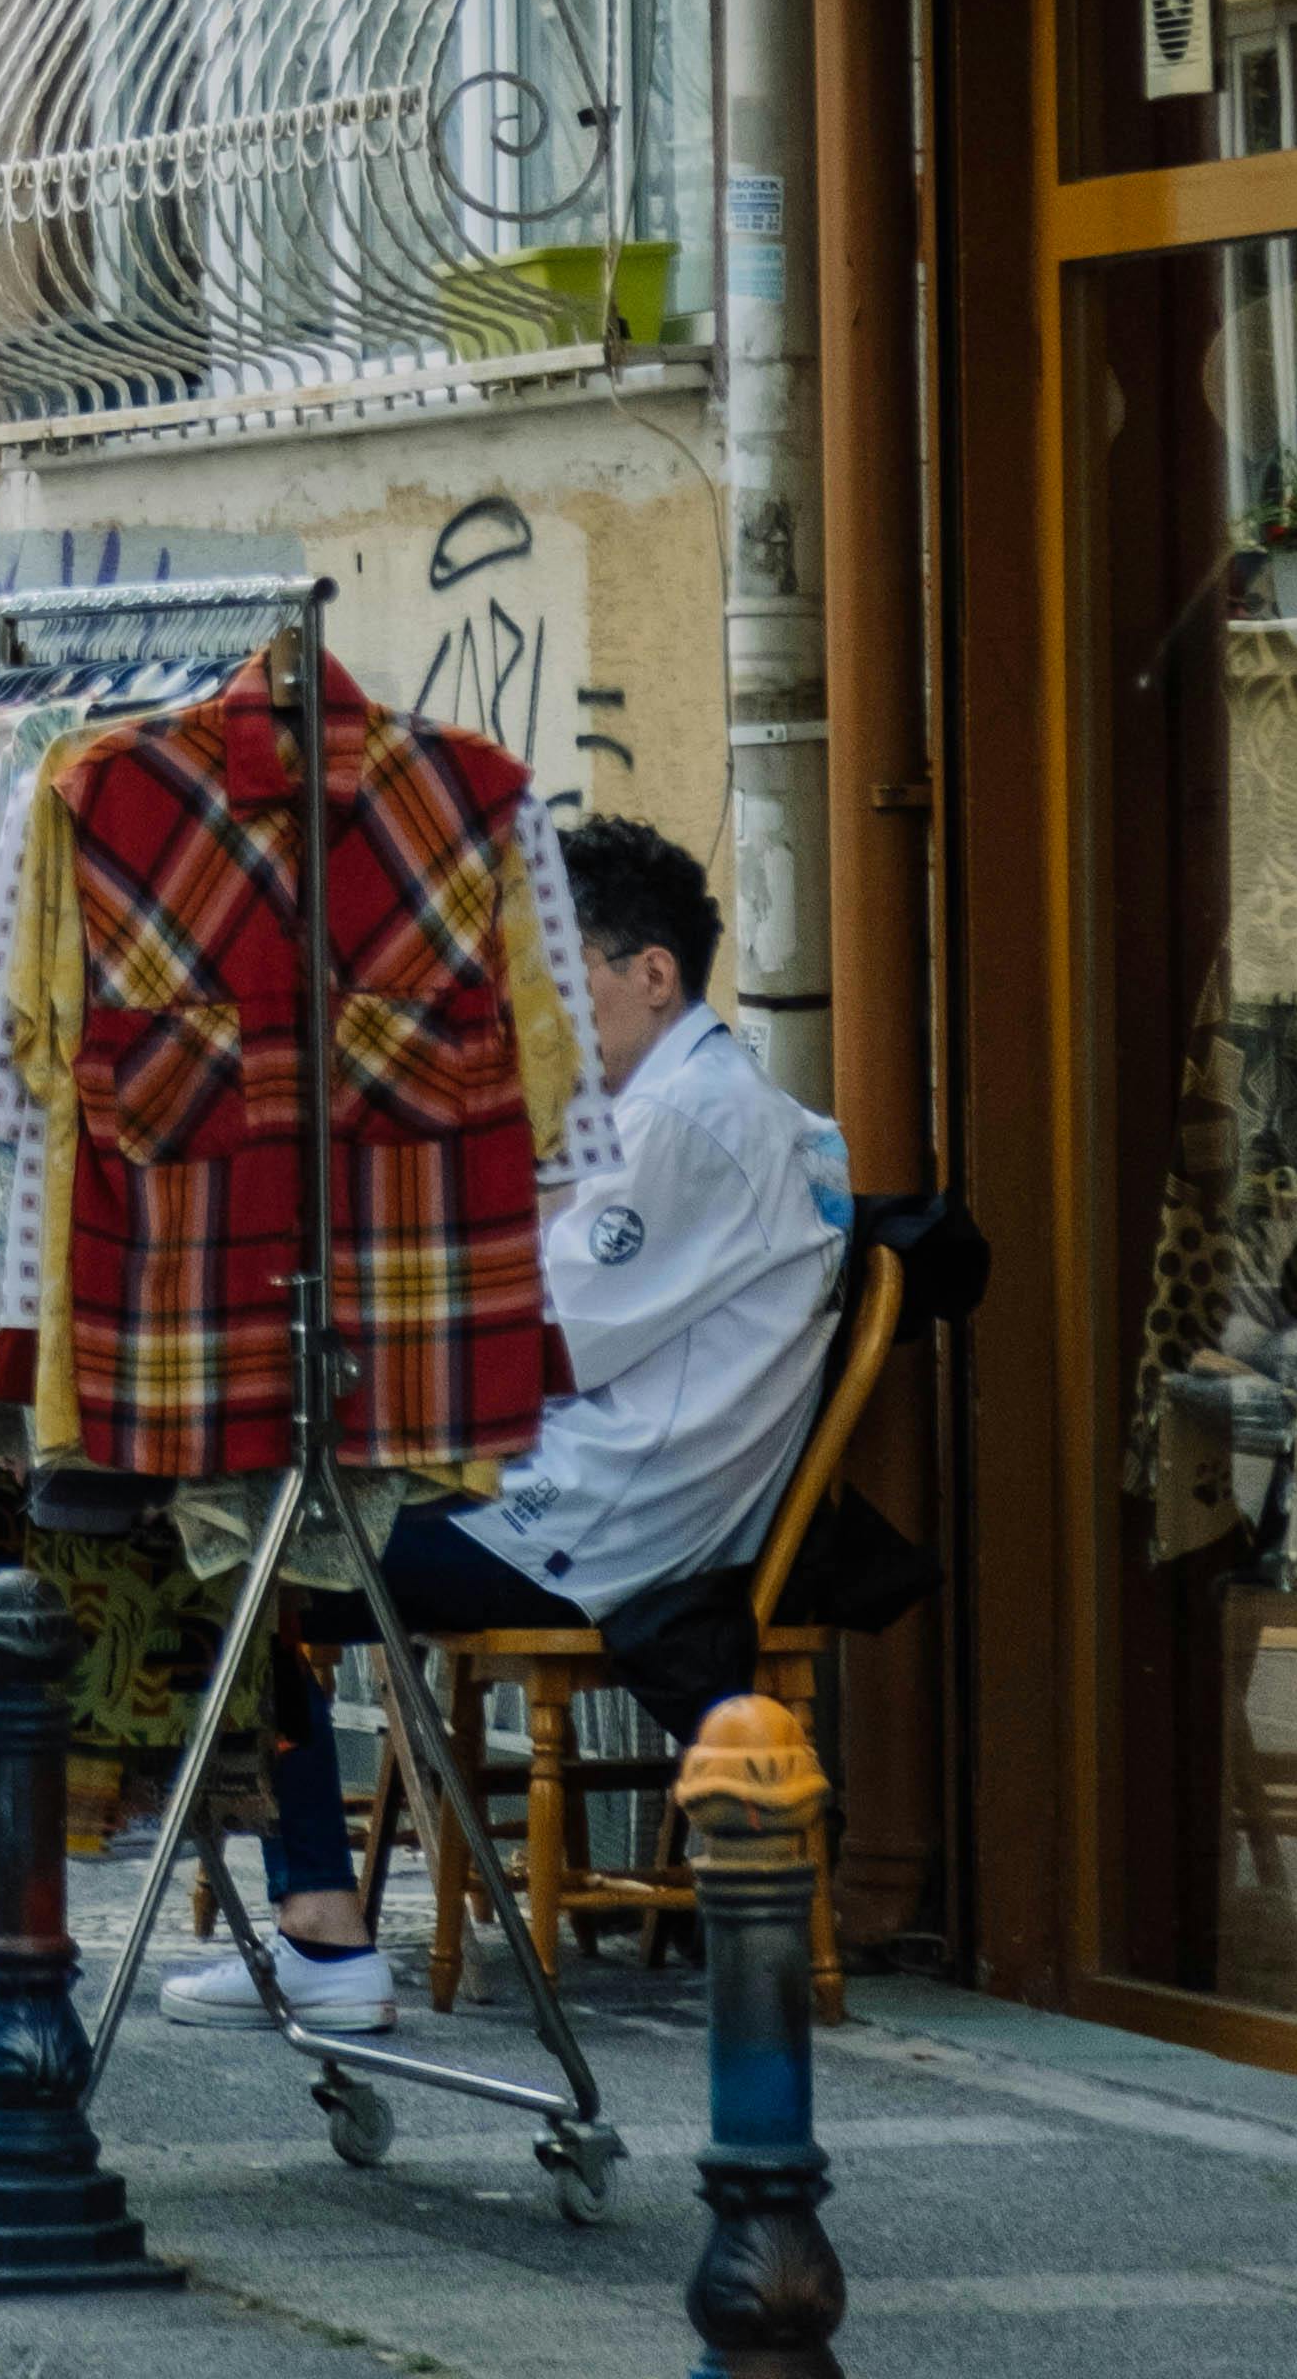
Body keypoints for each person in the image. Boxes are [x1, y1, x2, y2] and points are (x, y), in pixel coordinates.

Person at [164, 811, 850, 2031]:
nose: (534, 1007)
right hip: (571, 1493)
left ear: (650, 976)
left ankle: (319, 1933)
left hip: (583, 1522)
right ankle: (310, 1921)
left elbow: (532, 1345)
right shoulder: (671, 1100)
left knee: (233, 1555)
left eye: (558, 975)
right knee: (243, 1519)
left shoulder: (692, 1117)